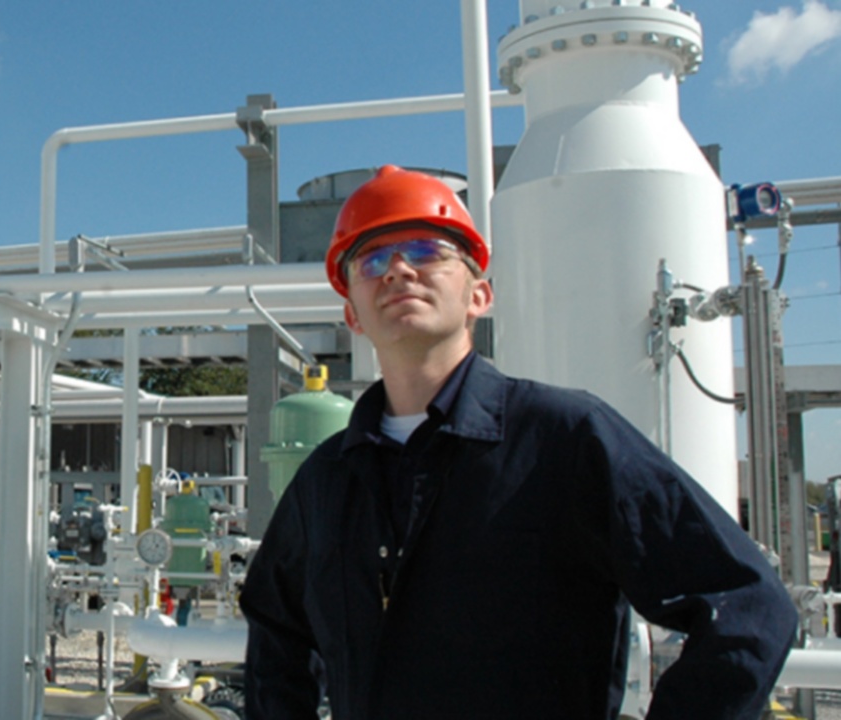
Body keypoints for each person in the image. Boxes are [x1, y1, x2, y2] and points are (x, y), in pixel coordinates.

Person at [239, 165, 798, 719]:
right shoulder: (326, 479)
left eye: (426, 250)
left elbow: (748, 607)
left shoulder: (567, 438)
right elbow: (275, 638)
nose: (399, 270)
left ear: (479, 294)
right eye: (374, 260)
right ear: (351, 314)